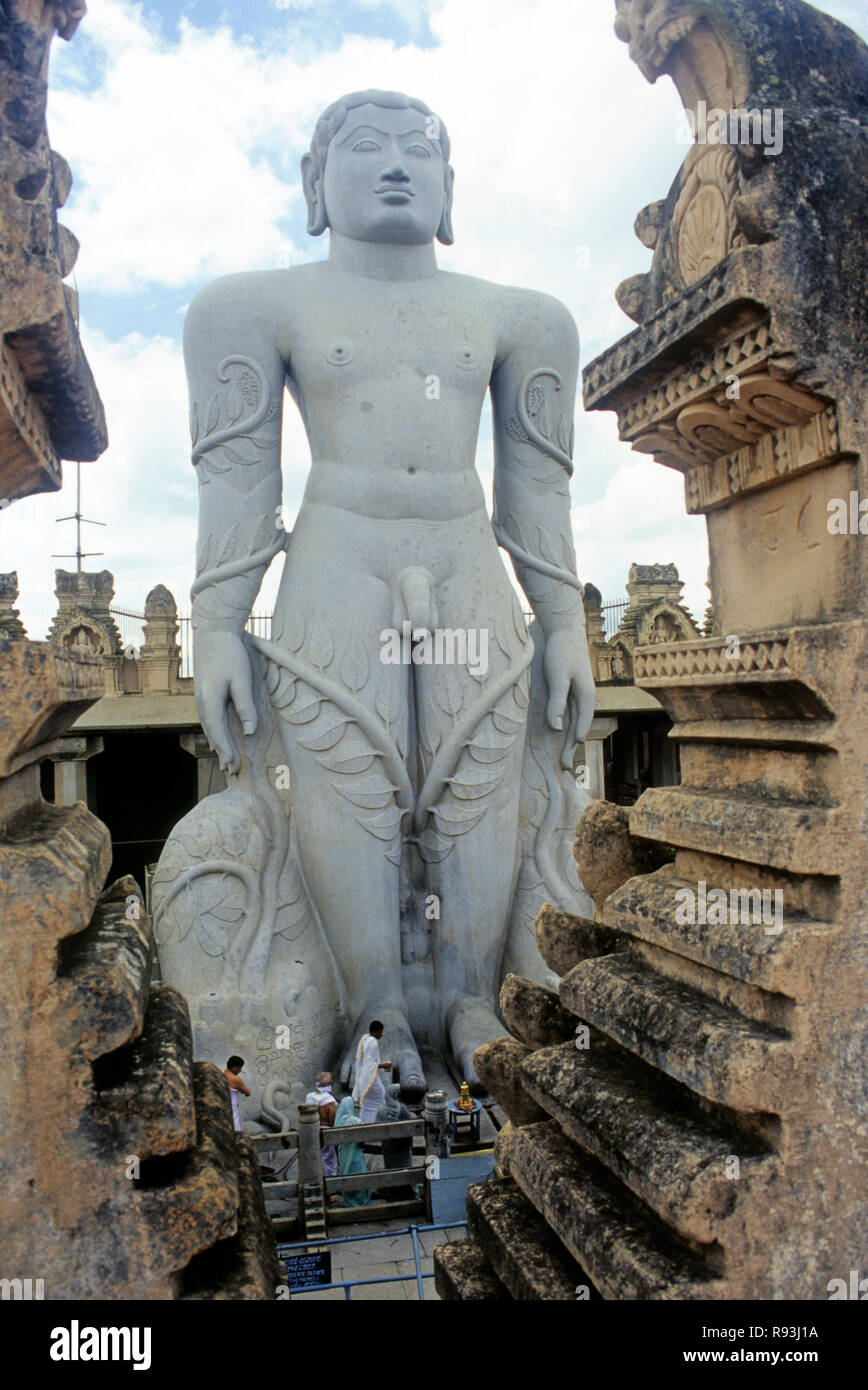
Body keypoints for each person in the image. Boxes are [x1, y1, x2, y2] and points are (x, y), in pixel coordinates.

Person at [185, 88, 595, 1093]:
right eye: (367, 147)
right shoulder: (250, 305)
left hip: (463, 551)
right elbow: (237, 478)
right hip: (338, 550)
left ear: (452, 185)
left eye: (421, 149)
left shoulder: (522, 317)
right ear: (314, 182)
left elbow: (538, 491)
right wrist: (217, 624)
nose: (398, 164)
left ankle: (470, 999)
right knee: (344, 776)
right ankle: (374, 1005)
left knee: (479, 771)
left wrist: (565, 624)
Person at [375, 1083, 417, 1202]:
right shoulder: (401, 1108)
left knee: (391, 1169)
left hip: (388, 1146)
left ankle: (393, 1194)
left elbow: (376, 1126)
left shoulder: (381, 1109)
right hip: (402, 1146)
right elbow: (409, 1125)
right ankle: (410, 1194)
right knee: (405, 1168)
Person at [334, 1096, 372, 1207]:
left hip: (343, 1154)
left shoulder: (338, 1121)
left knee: (346, 1173)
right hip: (355, 1153)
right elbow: (363, 1137)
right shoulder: (355, 1120)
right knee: (359, 1173)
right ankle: (361, 1200)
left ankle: (350, 1200)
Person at [352, 1021, 391, 1124]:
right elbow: (370, 1064)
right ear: (375, 1031)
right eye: (380, 1032)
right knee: (381, 1098)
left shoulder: (364, 1038)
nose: (381, 1034)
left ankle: (365, 1122)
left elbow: (363, 1061)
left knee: (367, 1102)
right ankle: (379, 1122)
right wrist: (384, 1066)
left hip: (363, 1076)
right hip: (370, 1078)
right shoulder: (373, 1042)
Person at [305, 1071, 339, 1190]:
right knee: (329, 1160)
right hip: (325, 1130)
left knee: (316, 1158)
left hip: (311, 1131)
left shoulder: (309, 1097)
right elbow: (332, 1119)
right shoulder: (329, 1100)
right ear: (328, 1084)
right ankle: (330, 1187)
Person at [223, 1055, 251, 1133]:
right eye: (239, 1068)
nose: (240, 1070)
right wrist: (240, 1089)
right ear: (234, 1067)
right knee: (236, 1131)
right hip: (233, 1109)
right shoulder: (236, 1079)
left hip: (224, 1108)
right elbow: (248, 1093)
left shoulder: (222, 1075)